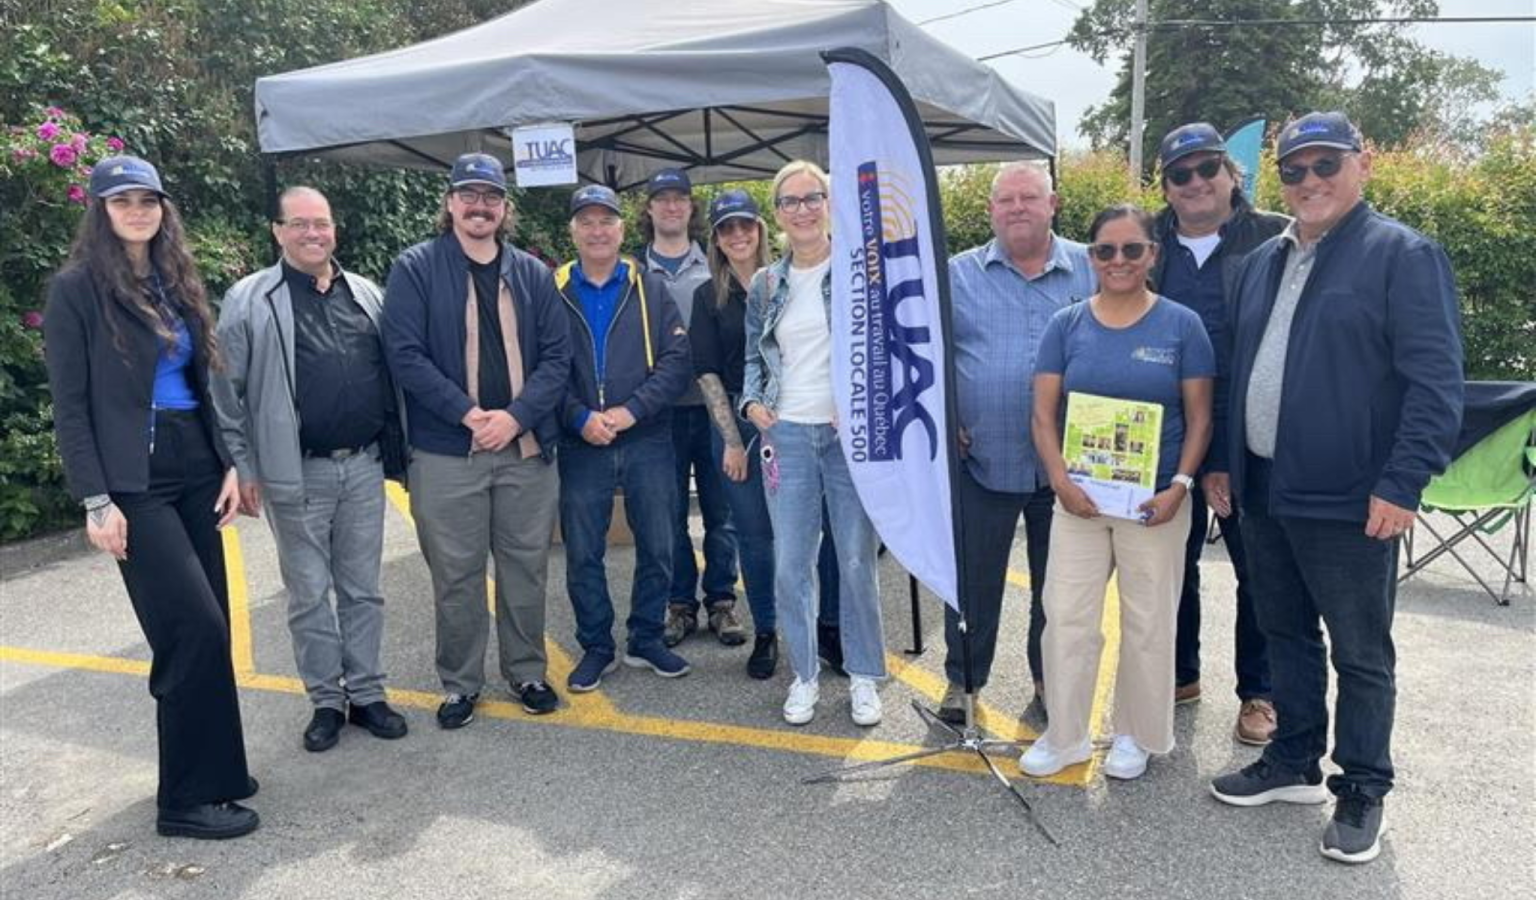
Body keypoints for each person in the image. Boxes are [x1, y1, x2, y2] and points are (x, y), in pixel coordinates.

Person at [1207, 112, 1463, 865]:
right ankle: (1292, 761)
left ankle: (1362, 787)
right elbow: (1238, 374)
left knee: (1360, 652)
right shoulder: (1260, 262)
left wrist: (1402, 482)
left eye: (1326, 165)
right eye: (1294, 170)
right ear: (1276, 179)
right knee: (1284, 634)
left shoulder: (1403, 256)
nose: (1310, 181)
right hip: (1264, 491)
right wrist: (1226, 463)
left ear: (1363, 164)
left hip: (1353, 498)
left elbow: (1435, 385)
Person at [44, 155, 258, 839]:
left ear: (164, 209)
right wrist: (95, 501)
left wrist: (226, 462)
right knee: (187, 628)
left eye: (148, 200)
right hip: (137, 478)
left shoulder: (174, 280)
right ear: (101, 211)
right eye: (122, 200)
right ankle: (184, 802)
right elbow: (70, 406)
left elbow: (202, 383)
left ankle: (219, 772)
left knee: (215, 622)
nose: (137, 211)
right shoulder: (77, 290)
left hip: (196, 461)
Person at [1021, 204, 1214, 781]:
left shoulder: (1182, 325)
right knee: (1066, 617)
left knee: (1150, 622)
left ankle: (1136, 733)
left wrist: (1180, 486)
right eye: (1106, 250)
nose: (1119, 261)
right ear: (1092, 257)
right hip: (1079, 502)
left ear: (1152, 255)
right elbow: (1042, 414)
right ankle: (1066, 735)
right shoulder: (1067, 324)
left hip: (1154, 504)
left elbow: (1201, 419)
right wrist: (1060, 481)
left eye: (1133, 249)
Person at [212, 186, 408, 753]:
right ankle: (326, 699)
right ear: (277, 231)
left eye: (320, 223)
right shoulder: (249, 300)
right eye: (298, 224)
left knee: (363, 589)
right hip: (294, 472)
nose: (312, 234)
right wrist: (242, 465)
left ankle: (368, 693)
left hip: (365, 467)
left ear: (334, 229)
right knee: (307, 593)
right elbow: (226, 394)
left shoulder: (366, 294)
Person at [382, 153, 572, 728]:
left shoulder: (534, 274)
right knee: (456, 574)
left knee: (525, 568)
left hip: (525, 450)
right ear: (449, 204)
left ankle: (528, 671)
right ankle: (461, 683)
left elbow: (558, 358)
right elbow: (405, 355)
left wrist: (515, 418)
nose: (479, 206)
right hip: (446, 452)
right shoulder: (415, 268)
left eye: (491, 196)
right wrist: (469, 414)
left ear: (504, 209)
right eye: (469, 195)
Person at [940, 161, 1095, 725]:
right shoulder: (955, 276)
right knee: (973, 581)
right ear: (990, 211)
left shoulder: (1091, 267)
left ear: (1053, 204)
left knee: (1059, 588)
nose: (1017, 208)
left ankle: (1048, 679)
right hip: (982, 455)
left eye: (1030, 197)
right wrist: (945, 414)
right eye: (1005, 200)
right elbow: (927, 358)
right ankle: (963, 683)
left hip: (1071, 467)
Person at [1150, 122, 1289, 745]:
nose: (1196, 182)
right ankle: (1179, 674)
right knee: (1165, 563)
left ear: (1232, 173)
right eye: (1181, 174)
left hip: (1247, 431)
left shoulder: (1277, 238)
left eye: (1208, 168)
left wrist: (1226, 455)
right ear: (1167, 187)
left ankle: (1260, 692)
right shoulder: (1145, 240)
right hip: (1165, 431)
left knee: (1259, 568)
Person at [741, 160, 886, 727]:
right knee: (792, 563)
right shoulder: (766, 283)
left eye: (812, 198)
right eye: (789, 201)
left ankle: (864, 675)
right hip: (788, 434)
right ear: (777, 214)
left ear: (829, 203)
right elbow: (754, 355)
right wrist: (752, 404)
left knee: (855, 560)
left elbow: (886, 347)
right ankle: (803, 675)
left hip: (847, 437)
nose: (802, 209)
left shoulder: (861, 273)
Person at [555, 184, 694, 692]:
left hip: (646, 437)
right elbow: (543, 369)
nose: (597, 230)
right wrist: (577, 418)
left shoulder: (650, 287)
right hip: (580, 441)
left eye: (606, 221)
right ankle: (596, 645)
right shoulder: (553, 289)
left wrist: (630, 411)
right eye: (586, 221)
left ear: (621, 228)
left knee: (659, 542)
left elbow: (679, 362)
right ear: (573, 230)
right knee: (583, 551)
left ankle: (646, 636)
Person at [638, 169, 744, 649]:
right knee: (669, 512)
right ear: (649, 210)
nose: (672, 207)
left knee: (722, 511)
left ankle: (722, 601)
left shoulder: (716, 265)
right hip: (659, 412)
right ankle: (679, 604)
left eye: (680, 198)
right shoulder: (635, 272)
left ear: (691, 208)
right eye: (662, 199)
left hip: (714, 408)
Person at [689, 189, 778, 676]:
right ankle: (766, 630)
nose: (738, 235)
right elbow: (706, 373)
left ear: (761, 230)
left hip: (794, 423)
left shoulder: (790, 282)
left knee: (807, 535)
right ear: (716, 240)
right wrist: (730, 441)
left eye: (746, 225)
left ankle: (821, 628)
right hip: (738, 428)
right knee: (755, 536)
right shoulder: (709, 297)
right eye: (727, 228)